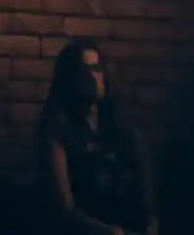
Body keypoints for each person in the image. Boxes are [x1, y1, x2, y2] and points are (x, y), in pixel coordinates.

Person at [36, 39, 159, 235]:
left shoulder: (126, 133)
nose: (92, 77)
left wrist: (149, 227)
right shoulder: (57, 132)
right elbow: (64, 210)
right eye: (84, 70)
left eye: (96, 68)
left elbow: (147, 203)